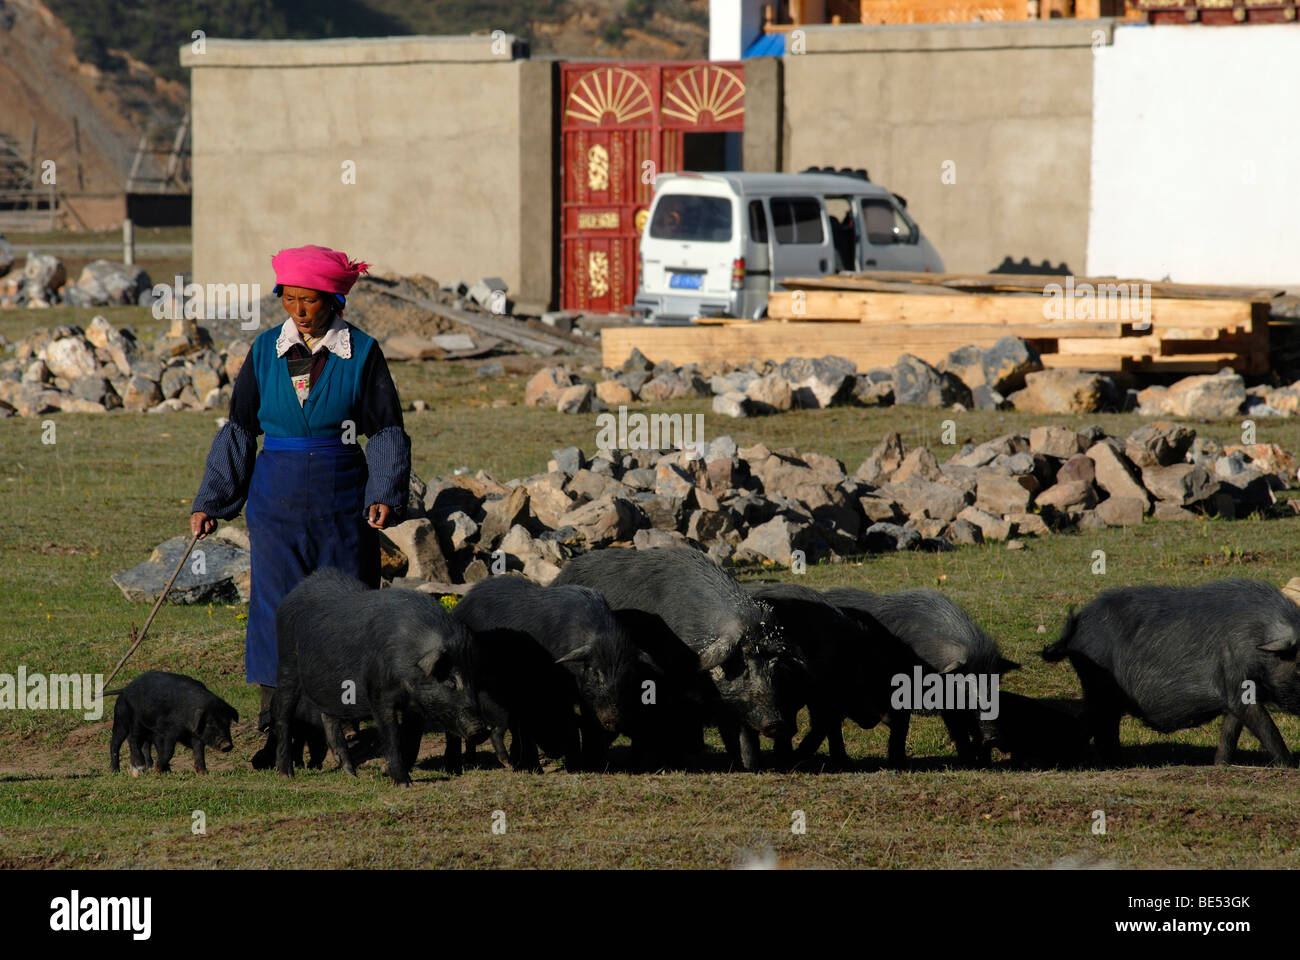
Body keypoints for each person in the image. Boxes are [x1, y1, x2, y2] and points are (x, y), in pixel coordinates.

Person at [188, 244, 411, 759]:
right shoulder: (265, 351)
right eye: (289, 300)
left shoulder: (363, 352)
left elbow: (385, 431)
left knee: (345, 606)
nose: (299, 311)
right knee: (277, 607)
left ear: (333, 299)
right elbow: (240, 430)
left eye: (309, 300)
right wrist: (212, 502)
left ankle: (347, 720)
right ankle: (279, 726)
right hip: (276, 499)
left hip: (341, 497)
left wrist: (383, 492)